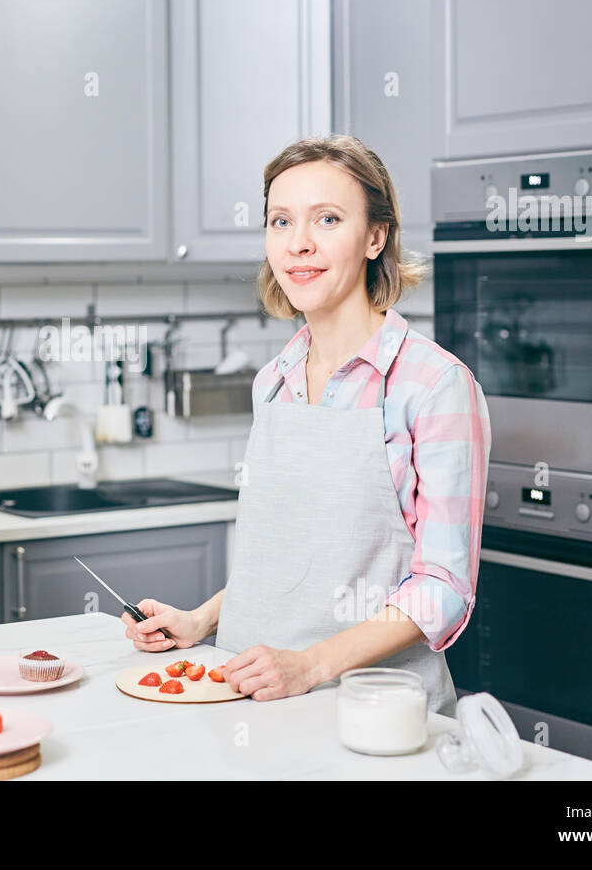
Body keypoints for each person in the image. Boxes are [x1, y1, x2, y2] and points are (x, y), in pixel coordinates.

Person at [122, 135, 490, 716]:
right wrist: (199, 620)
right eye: (280, 220)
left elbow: (444, 589)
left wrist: (311, 664)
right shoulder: (273, 380)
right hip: (252, 699)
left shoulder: (435, 386)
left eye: (327, 219)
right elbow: (287, 563)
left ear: (376, 237)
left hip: (376, 718)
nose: (298, 244)